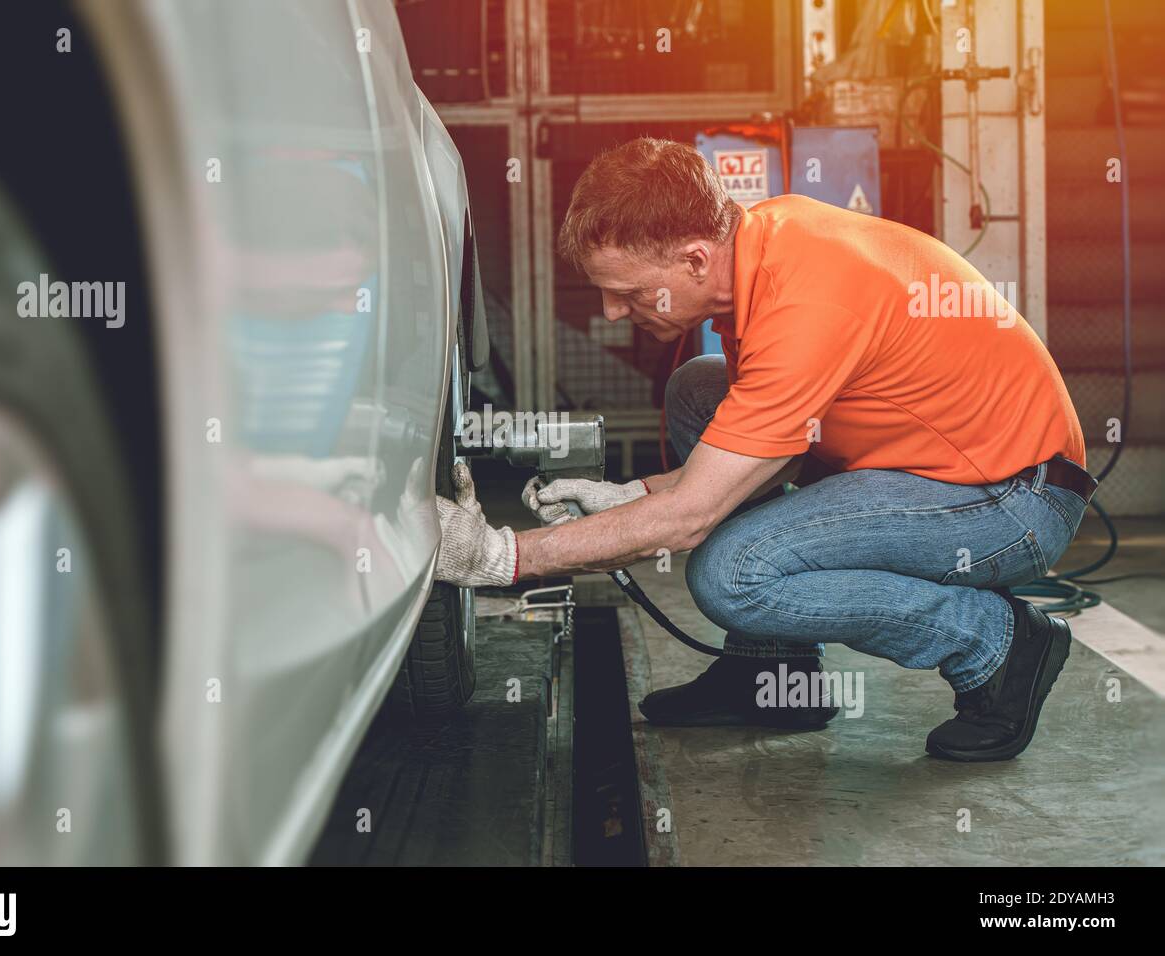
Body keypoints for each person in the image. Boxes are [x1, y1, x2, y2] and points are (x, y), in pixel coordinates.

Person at [434, 138, 1092, 762]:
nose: (610, 312)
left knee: (731, 572)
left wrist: (503, 557)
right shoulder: (764, 245)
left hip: (1012, 501)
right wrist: (631, 496)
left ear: (694, 258)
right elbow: (760, 452)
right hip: (935, 467)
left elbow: (691, 519)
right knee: (700, 389)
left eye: (629, 292)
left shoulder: (807, 302)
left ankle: (995, 645)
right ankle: (770, 670)